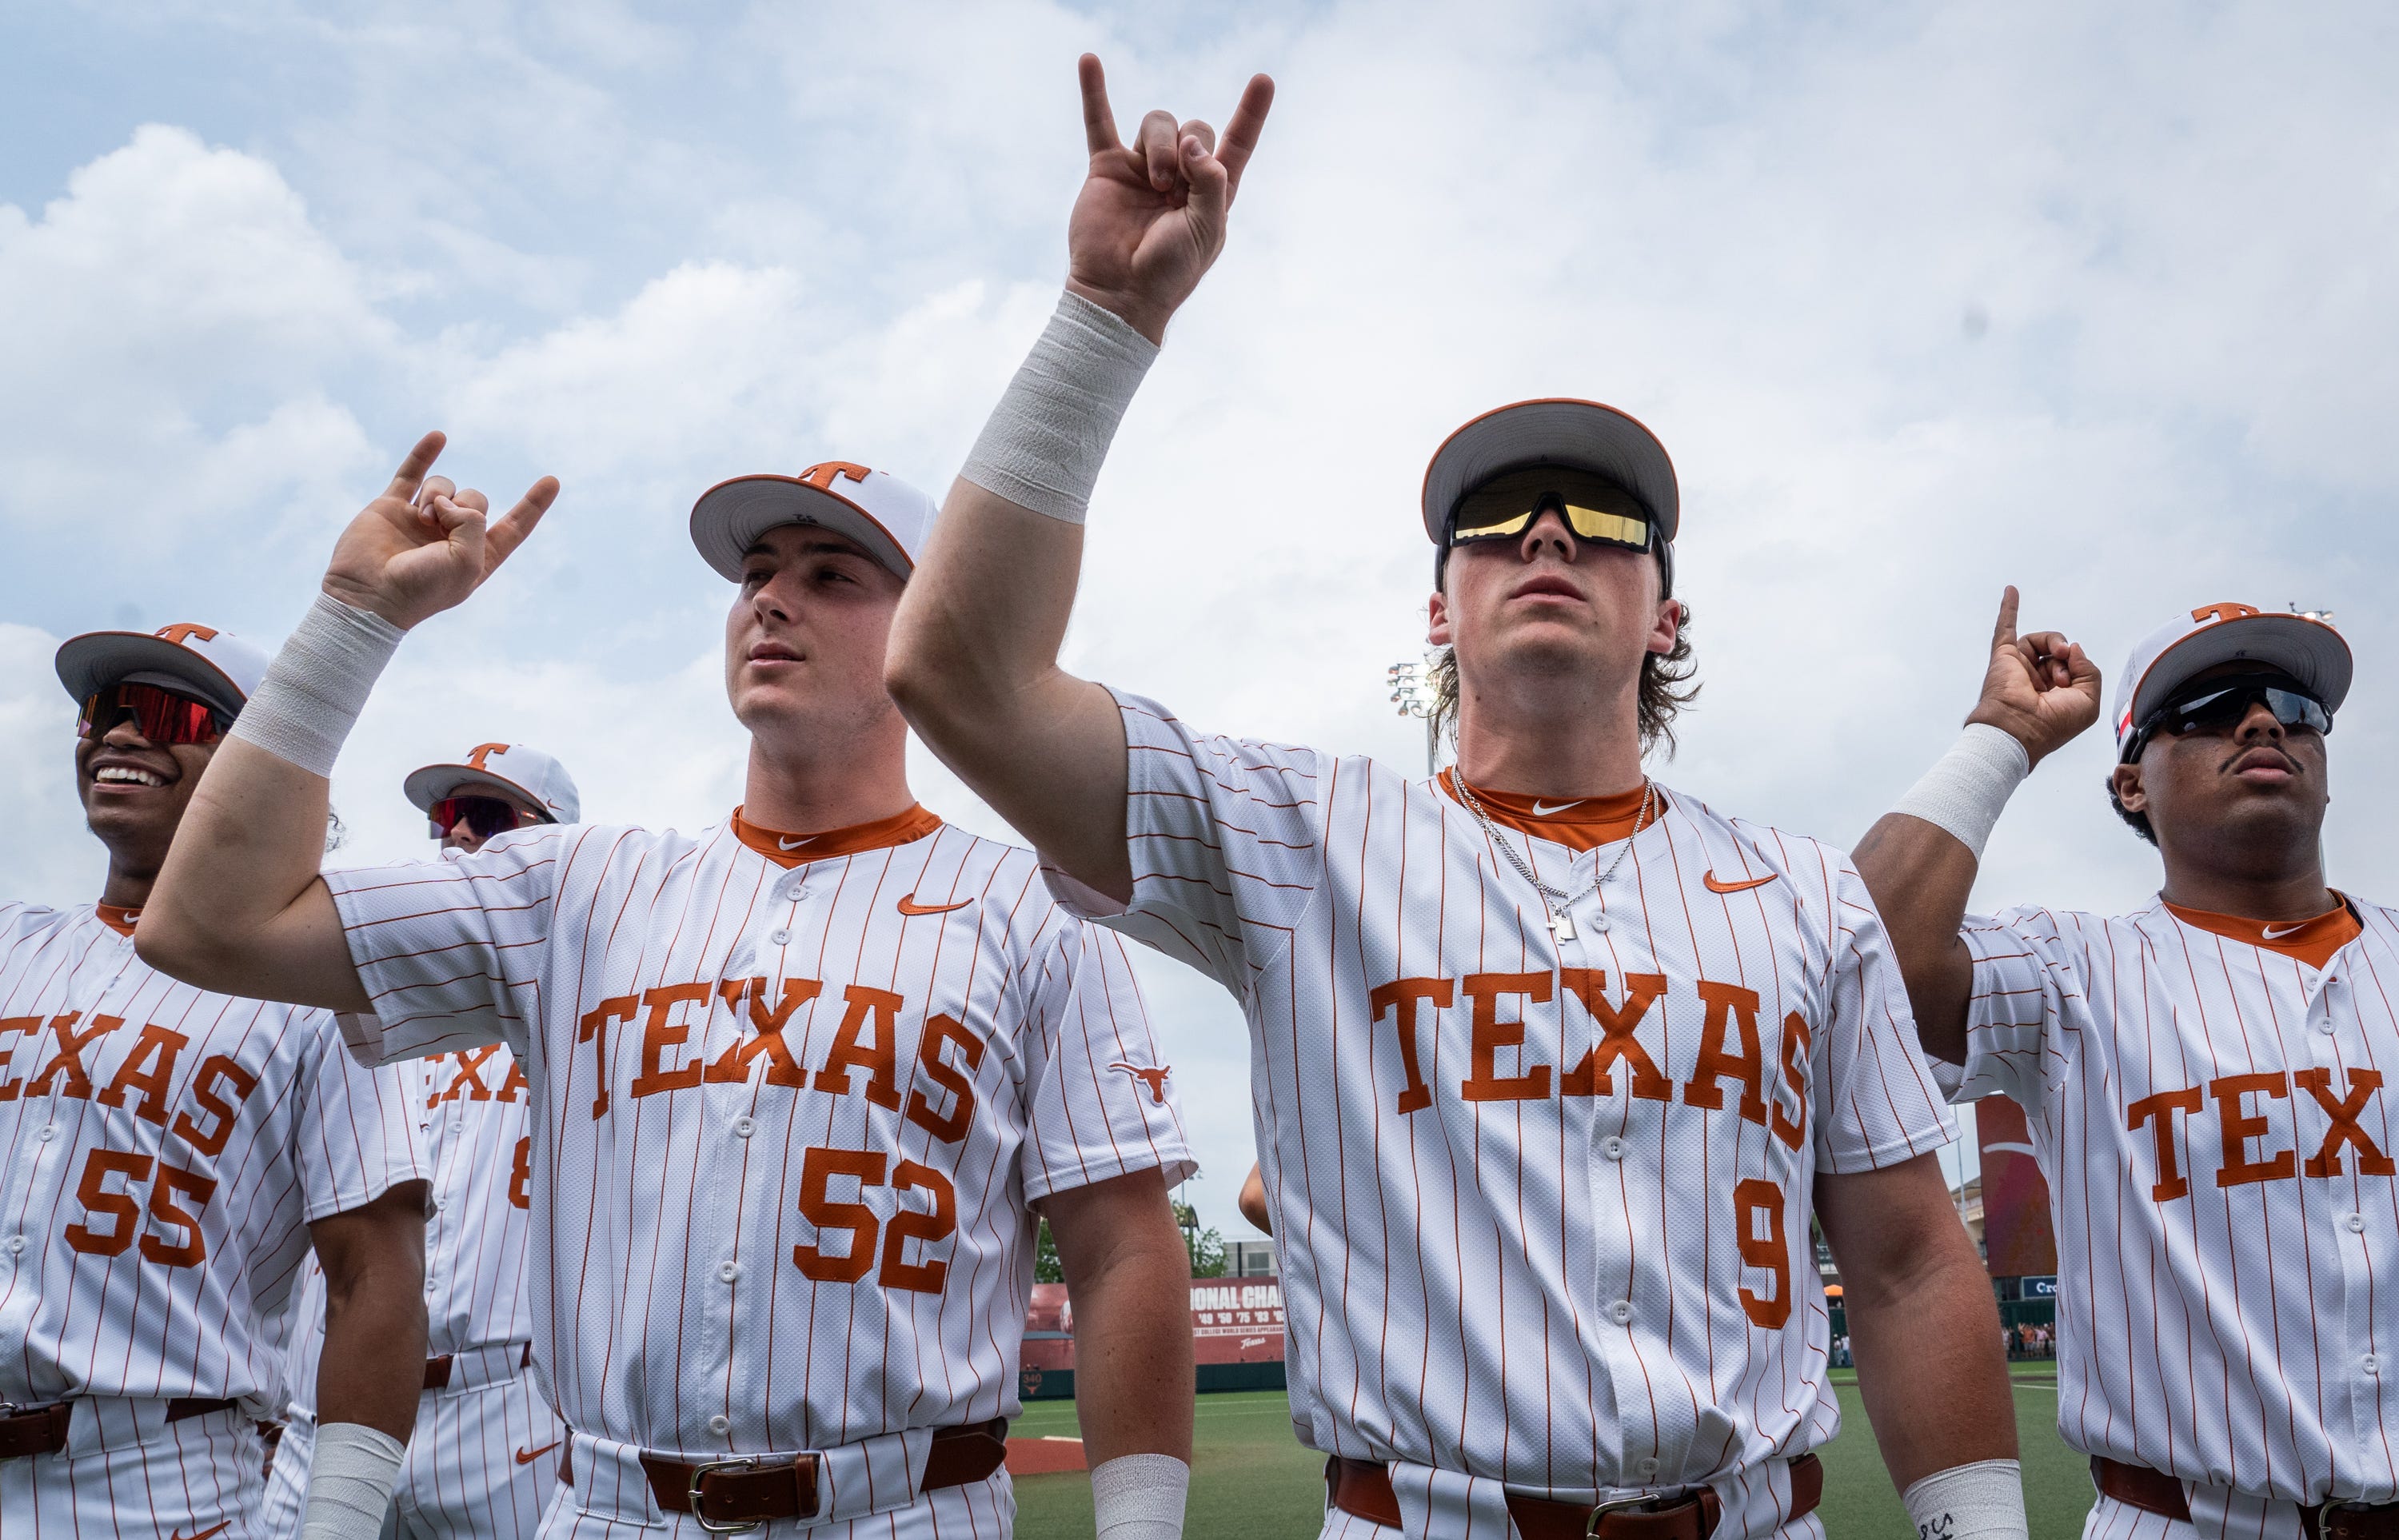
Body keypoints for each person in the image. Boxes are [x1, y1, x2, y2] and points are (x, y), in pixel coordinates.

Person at [884, 52, 2026, 1540]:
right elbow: (960, 677)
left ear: (1667, 615)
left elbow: (1908, 1265)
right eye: (1492, 524)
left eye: (1607, 521)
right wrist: (1109, 323)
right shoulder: (1296, 837)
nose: (1547, 531)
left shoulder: (1807, 892)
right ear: (1440, 611)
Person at [135, 443, 1202, 1539]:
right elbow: (211, 923)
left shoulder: (1028, 904)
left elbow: (1122, 1247)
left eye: (832, 575)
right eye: (756, 574)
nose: (772, 599)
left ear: (929, 625)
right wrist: (357, 618)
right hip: (610, 1507)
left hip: (905, 1508)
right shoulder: (579, 885)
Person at [1855, 592, 2399, 1538]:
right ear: (2131, 786)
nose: (2263, 720)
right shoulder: (2074, 970)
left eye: (2293, 707)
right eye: (2206, 709)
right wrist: (2004, 736)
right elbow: (1858, 961)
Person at [0, 620, 429, 1538]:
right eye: (106, 713)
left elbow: (371, 1282)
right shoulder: (10, 943)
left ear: (257, 764)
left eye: (167, 712)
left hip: (151, 1483)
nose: (120, 736)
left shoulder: (318, 989)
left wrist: (341, 1524)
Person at [262, 744, 584, 1540]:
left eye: (489, 816)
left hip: (505, 1412)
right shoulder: (353, 1009)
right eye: (446, 818)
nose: (462, 837)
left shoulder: (583, 1007)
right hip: (326, 1411)